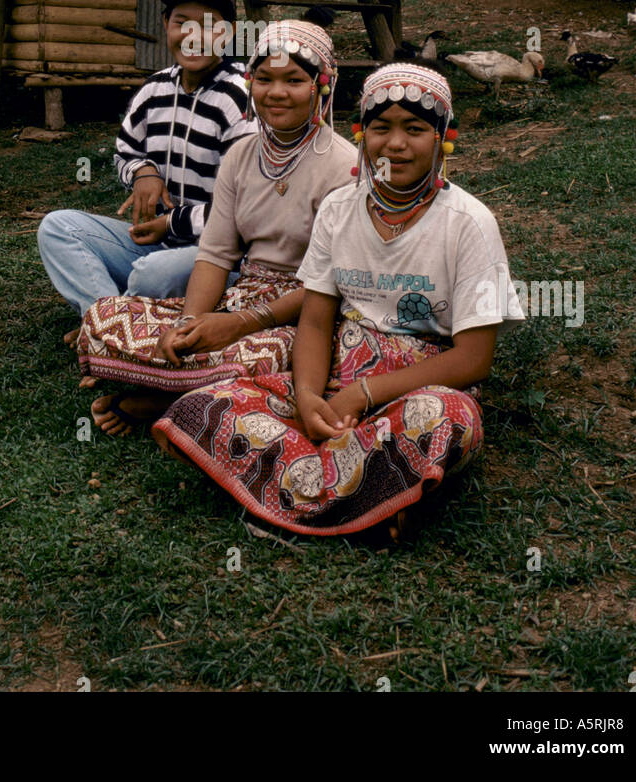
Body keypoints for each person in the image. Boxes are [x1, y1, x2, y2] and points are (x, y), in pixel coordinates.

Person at [153, 62, 525, 539]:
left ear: (441, 138)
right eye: (380, 128)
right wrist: (309, 398)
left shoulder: (469, 223)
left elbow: (474, 359)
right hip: (335, 377)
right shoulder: (339, 208)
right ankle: (370, 496)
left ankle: (309, 486)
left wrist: (365, 395)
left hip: (418, 387)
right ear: (361, 134)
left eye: (414, 129)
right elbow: (314, 323)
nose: (395, 144)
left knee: (442, 421)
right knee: (203, 407)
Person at [81, 21, 358, 435]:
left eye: (294, 80)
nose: (276, 92)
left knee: (267, 356)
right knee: (102, 317)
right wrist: (190, 323)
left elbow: (330, 285)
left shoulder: (343, 166)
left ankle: (166, 395)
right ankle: (196, 384)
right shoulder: (242, 155)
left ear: (322, 85)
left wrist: (241, 323)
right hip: (242, 292)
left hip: (307, 313)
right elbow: (215, 254)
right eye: (264, 79)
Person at [37, 0, 254, 324]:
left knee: (154, 274)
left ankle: (108, 324)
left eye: (209, 25)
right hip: (160, 242)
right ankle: (111, 321)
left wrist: (171, 224)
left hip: (218, 255)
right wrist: (143, 172)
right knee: (58, 227)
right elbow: (126, 150)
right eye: (181, 21)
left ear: (228, 33)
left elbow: (245, 207)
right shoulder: (154, 90)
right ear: (165, 24)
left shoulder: (239, 95)